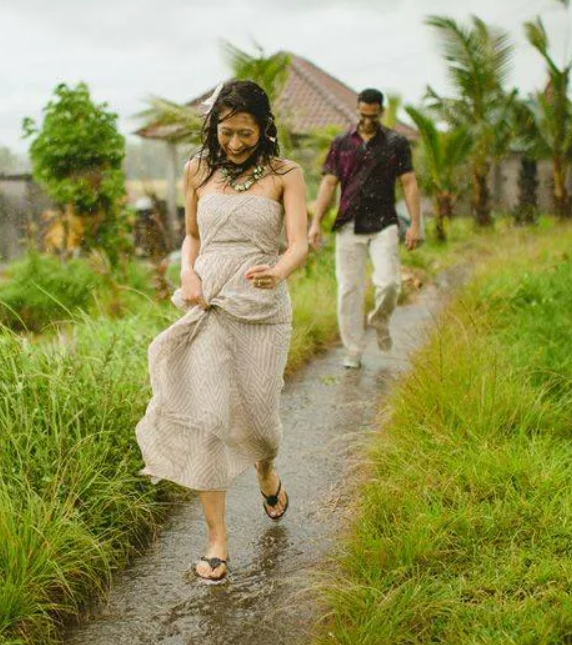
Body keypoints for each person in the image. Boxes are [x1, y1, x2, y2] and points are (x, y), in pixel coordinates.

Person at [135, 79, 309, 584]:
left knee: (259, 420)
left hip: (261, 306)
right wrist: (187, 273)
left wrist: (278, 270)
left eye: (246, 134)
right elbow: (191, 235)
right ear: (214, 127)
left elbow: (298, 243)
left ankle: (265, 470)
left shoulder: (286, 174)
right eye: (227, 132)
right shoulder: (196, 170)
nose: (234, 143)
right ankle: (216, 542)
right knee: (210, 418)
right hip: (209, 299)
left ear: (264, 130)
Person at [307, 88, 422, 370]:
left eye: (373, 115)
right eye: (362, 115)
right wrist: (315, 223)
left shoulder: (396, 142)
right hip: (348, 224)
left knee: (390, 283)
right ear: (356, 110)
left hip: (384, 223)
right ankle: (353, 350)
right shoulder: (341, 143)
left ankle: (379, 319)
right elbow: (329, 183)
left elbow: (408, 182)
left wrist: (416, 225)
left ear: (380, 112)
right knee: (349, 289)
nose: (367, 120)